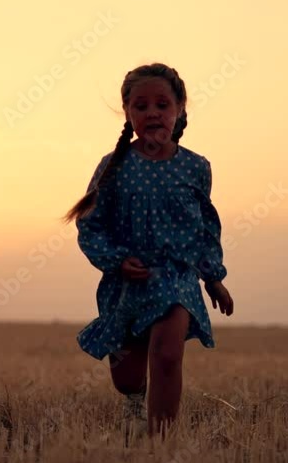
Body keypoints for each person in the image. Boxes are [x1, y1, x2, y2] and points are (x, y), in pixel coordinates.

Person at [64, 62, 234, 436]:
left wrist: (213, 277)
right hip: (127, 283)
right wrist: (116, 260)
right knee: (127, 377)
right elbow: (90, 224)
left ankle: (161, 440)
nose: (153, 113)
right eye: (141, 106)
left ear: (179, 109)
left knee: (168, 356)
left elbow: (205, 227)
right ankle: (134, 400)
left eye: (162, 104)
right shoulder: (113, 166)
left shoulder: (196, 168)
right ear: (127, 113)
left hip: (177, 278)